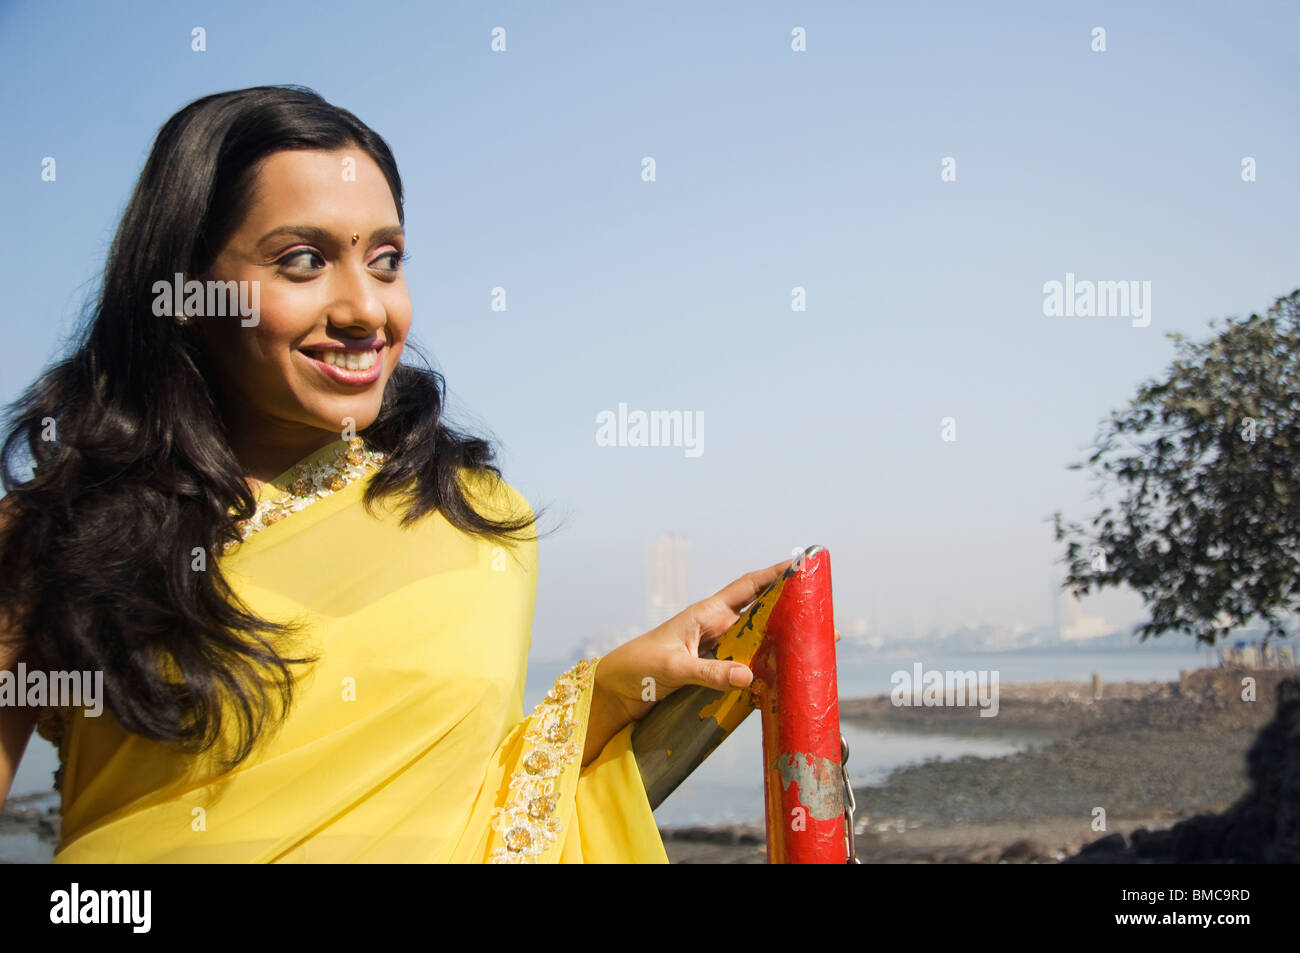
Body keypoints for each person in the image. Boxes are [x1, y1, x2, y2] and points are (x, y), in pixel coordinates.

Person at [0, 85, 788, 862]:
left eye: (386, 261)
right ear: (182, 290)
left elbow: (464, 802)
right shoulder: (54, 534)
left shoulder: (468, 517)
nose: (365, 310)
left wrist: (610, 694)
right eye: (302, 261)